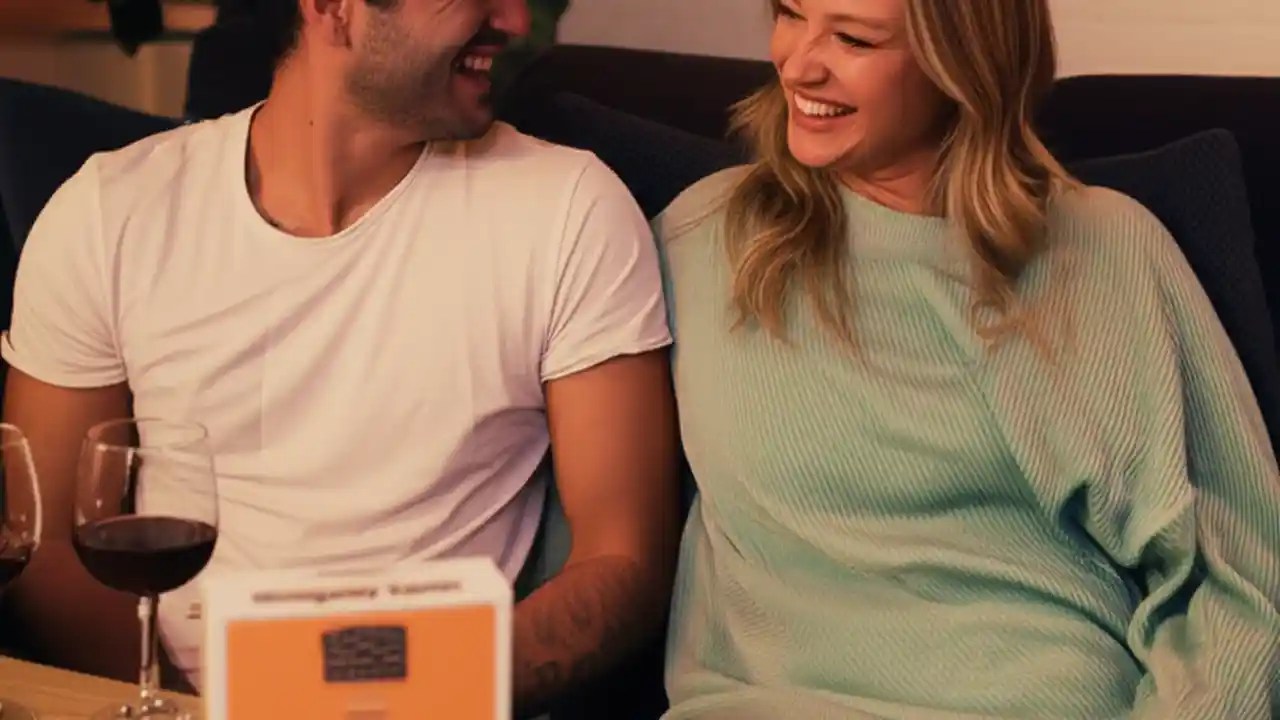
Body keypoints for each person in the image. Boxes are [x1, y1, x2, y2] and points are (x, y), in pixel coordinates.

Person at [1, 0, 681, 715]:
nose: (513, 21)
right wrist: (180, 707)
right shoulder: (110, 212)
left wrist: (412, 688)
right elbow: (49, 548)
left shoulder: (568, 210)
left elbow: (624, 560)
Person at [654, 0, 1280, 717]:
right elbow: (577, 540)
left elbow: (1238, 580)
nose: (797, 65)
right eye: (791, 13)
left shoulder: (1108, 251)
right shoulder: (699, 239)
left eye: (854, 38)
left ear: (960, 65)